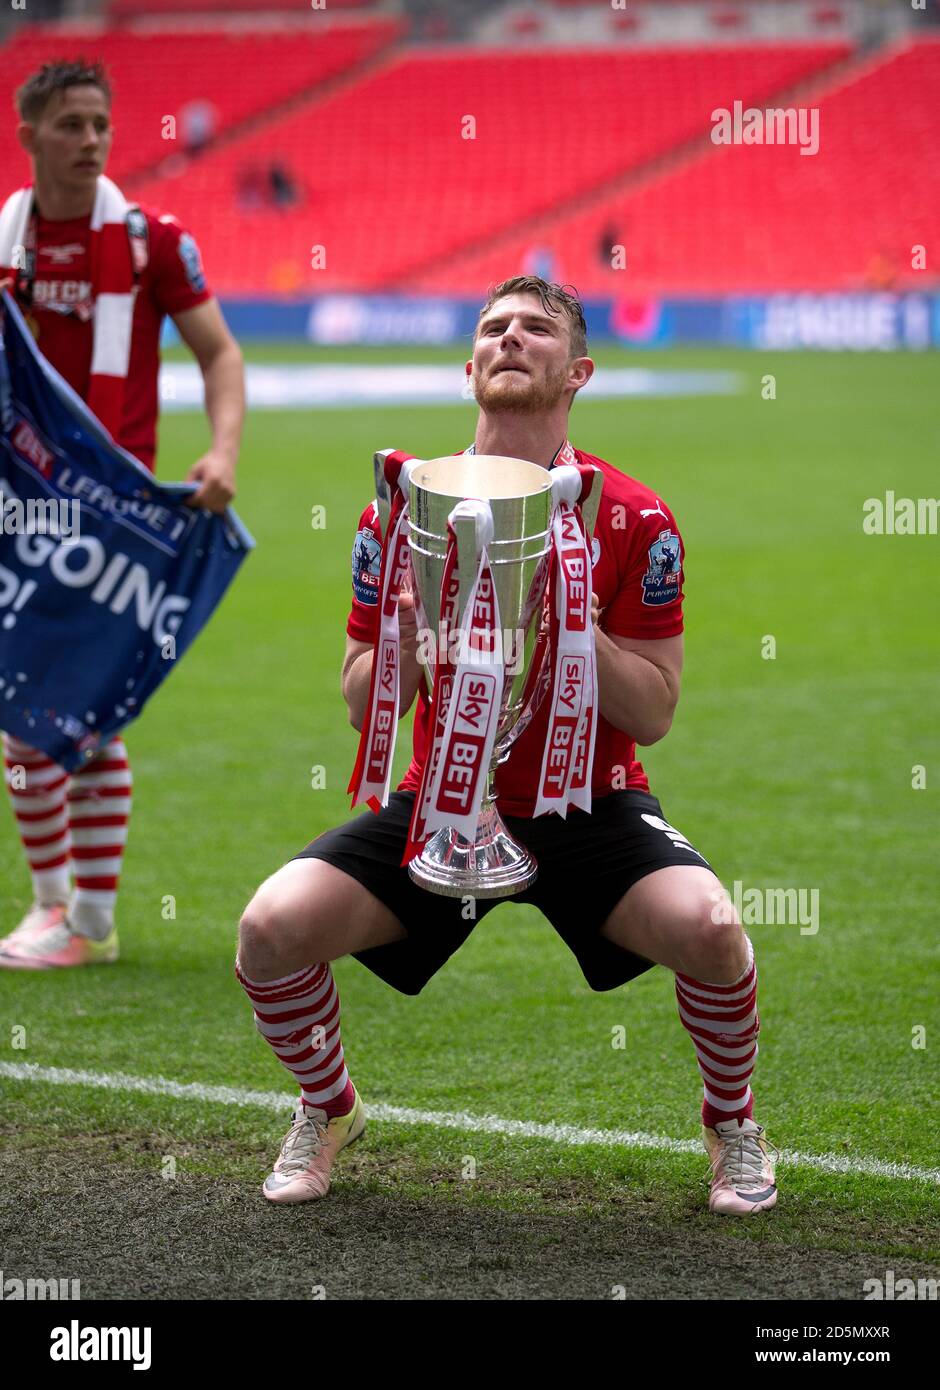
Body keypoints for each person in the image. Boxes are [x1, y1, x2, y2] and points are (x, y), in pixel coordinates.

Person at [236, 275, 776, 1216]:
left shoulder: (633, 518)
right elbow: (362, 701)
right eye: (493, 329)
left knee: (713, 931)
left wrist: (575, 622)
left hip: (592, 801)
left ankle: (731, 1122)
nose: (511, 339)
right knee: (269, 930)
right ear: (470, 366)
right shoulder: (400, 509)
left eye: (536, 329)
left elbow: (652, 711)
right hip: (440, 801)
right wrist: (404, 642)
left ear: (579, 371)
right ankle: (327, 1109)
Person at [0, 59, 245, 969]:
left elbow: (221, 355)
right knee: (40, 705)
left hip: (113, 515)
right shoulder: (5, 243)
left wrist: (221, 453)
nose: (92, 140)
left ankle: (73, 915)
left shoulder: (150, 242)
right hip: (17, 507)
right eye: (71, 124)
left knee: (53, 712)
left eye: (101, 123)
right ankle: (75, 915)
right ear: (29, 135)